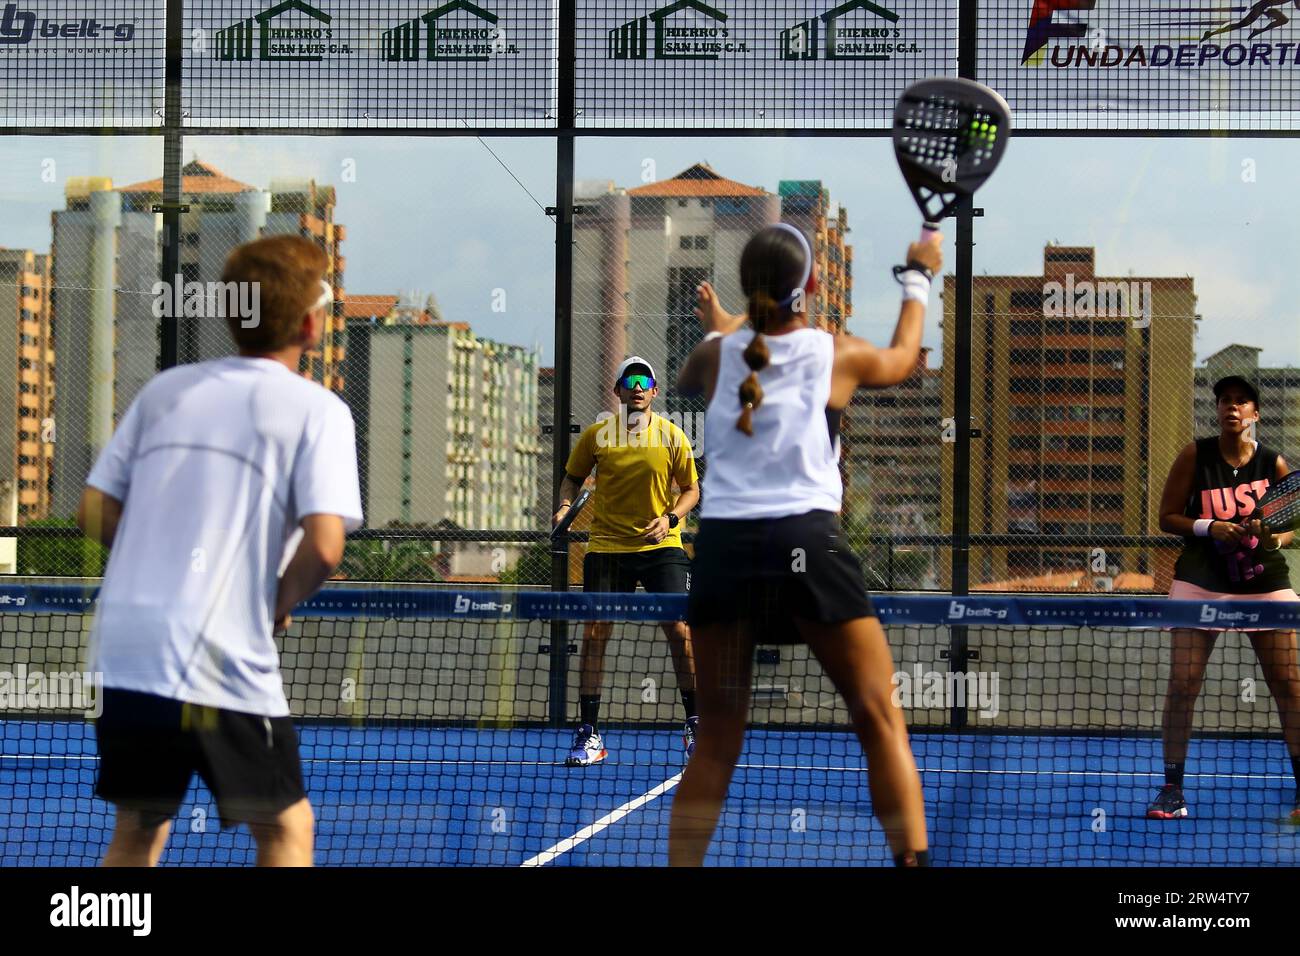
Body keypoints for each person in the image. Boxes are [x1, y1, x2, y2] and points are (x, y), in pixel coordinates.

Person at [77, 235, 362, 866]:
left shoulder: (166, 391)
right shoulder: (320, 412)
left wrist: (165, 557)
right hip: (217, 654)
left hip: (126, 650)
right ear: (312, 325)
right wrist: (273, 603)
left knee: (141, 825)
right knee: (286, 830)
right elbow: (324, 546)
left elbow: (93, 509)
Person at [668, 222, 941, 866]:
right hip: (806, 545)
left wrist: (724, 322)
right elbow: (904, 358)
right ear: (812, 286)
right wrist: (919, 275)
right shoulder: (834, 353)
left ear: (746, 287)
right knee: (879, 717)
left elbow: (698, 370)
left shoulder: (713, 354)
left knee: (715, 743)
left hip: (725, 554)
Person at [1149, 375, 1300, 820]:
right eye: (1225, 401)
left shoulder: (1274, 464)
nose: (1232, 408)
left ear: (1254, 413)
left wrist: (1268, 536)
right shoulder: (1195, 455)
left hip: (1263, 584)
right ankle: (1172, 791)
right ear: (1217, 410)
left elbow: (1288, 530)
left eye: (1241, 401)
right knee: (1182, 687)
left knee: (1290, 687)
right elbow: (1167, 517)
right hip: (1201, 582)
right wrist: (1207, 526)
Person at [554, 357, 701, 766]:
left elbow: (691, 490)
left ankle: (695, 724)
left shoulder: (673, 437)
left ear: (654, 392)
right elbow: (572, 476)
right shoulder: (597, 436)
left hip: (663, 547)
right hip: (606, 548)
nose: (637, 387)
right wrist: (565, 504)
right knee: (595, 633)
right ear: (618, 391)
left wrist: (671, 517)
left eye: (645, 381)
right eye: (629, 380)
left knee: (679, 629)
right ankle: (589, 735)